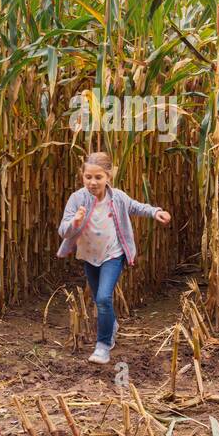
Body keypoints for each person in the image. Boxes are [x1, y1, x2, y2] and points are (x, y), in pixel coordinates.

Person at [57, 151, 171, 364]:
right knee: (98, 298)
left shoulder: (117, 197)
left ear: (109, 176)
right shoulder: (77, 199)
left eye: (98, 177)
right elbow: (63, 231)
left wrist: (155, 212)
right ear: (82, 176)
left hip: (113, 254)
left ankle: (103, 345)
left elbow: (136, 207)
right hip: (89, 256)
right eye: (88, 177)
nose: (92, 182)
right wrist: (75, 221)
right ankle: (111, 325)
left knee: (103, 298)